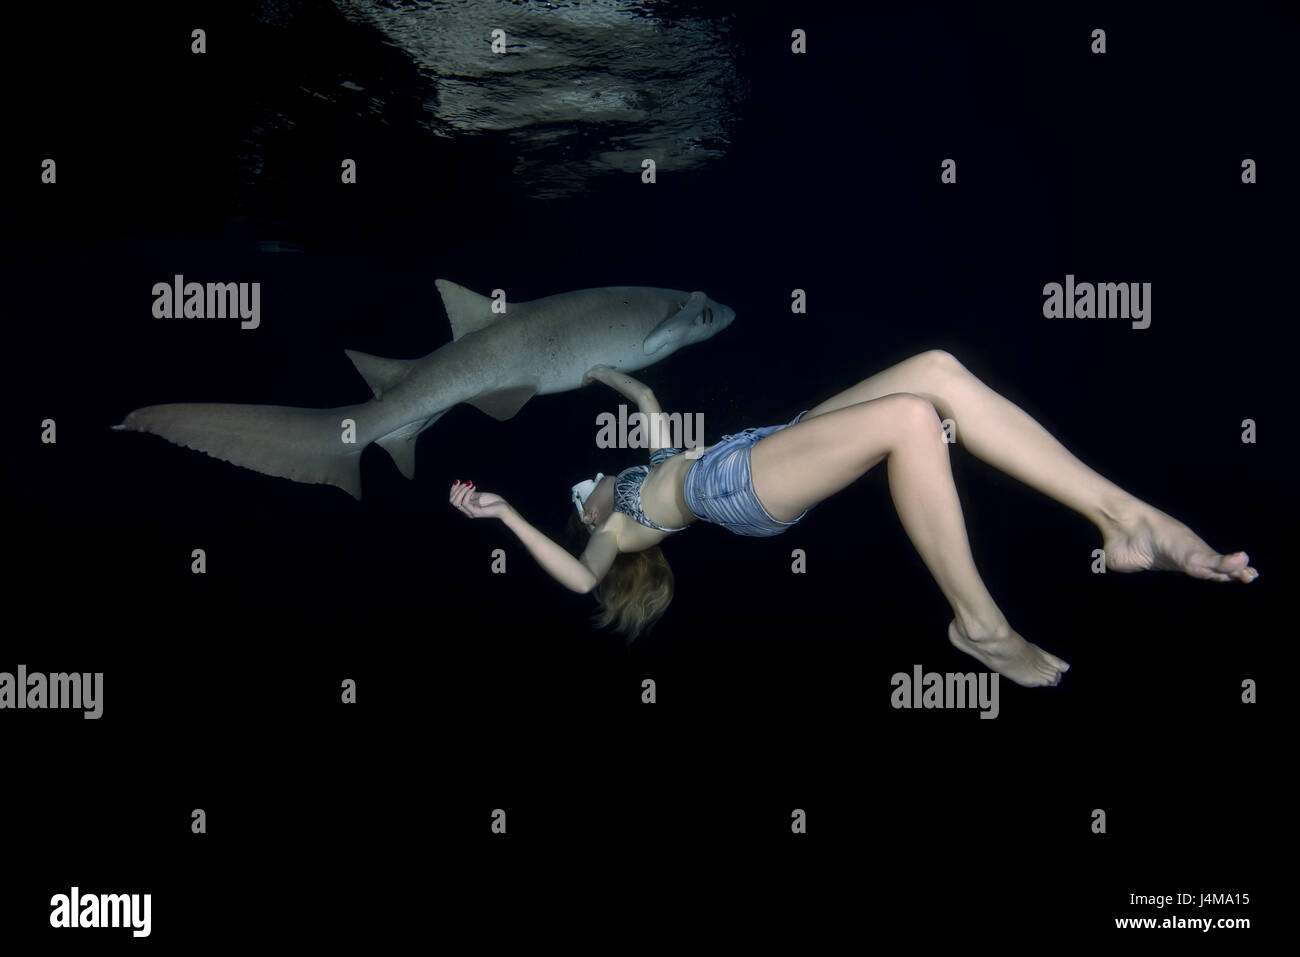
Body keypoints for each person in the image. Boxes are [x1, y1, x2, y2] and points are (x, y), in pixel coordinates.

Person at [449, 350, 1257, 687]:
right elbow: (576, 580)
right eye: (579, 496)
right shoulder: (612, 533)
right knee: (910, 420)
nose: (586, 486)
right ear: (587, 521)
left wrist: (606, 372)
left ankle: (1124, 517)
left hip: (756, 445)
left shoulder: (638, 475)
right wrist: (506, 512)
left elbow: (655, 409)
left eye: (587, 483)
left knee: (938, 369)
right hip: (735, 489)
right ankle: (979, 625)